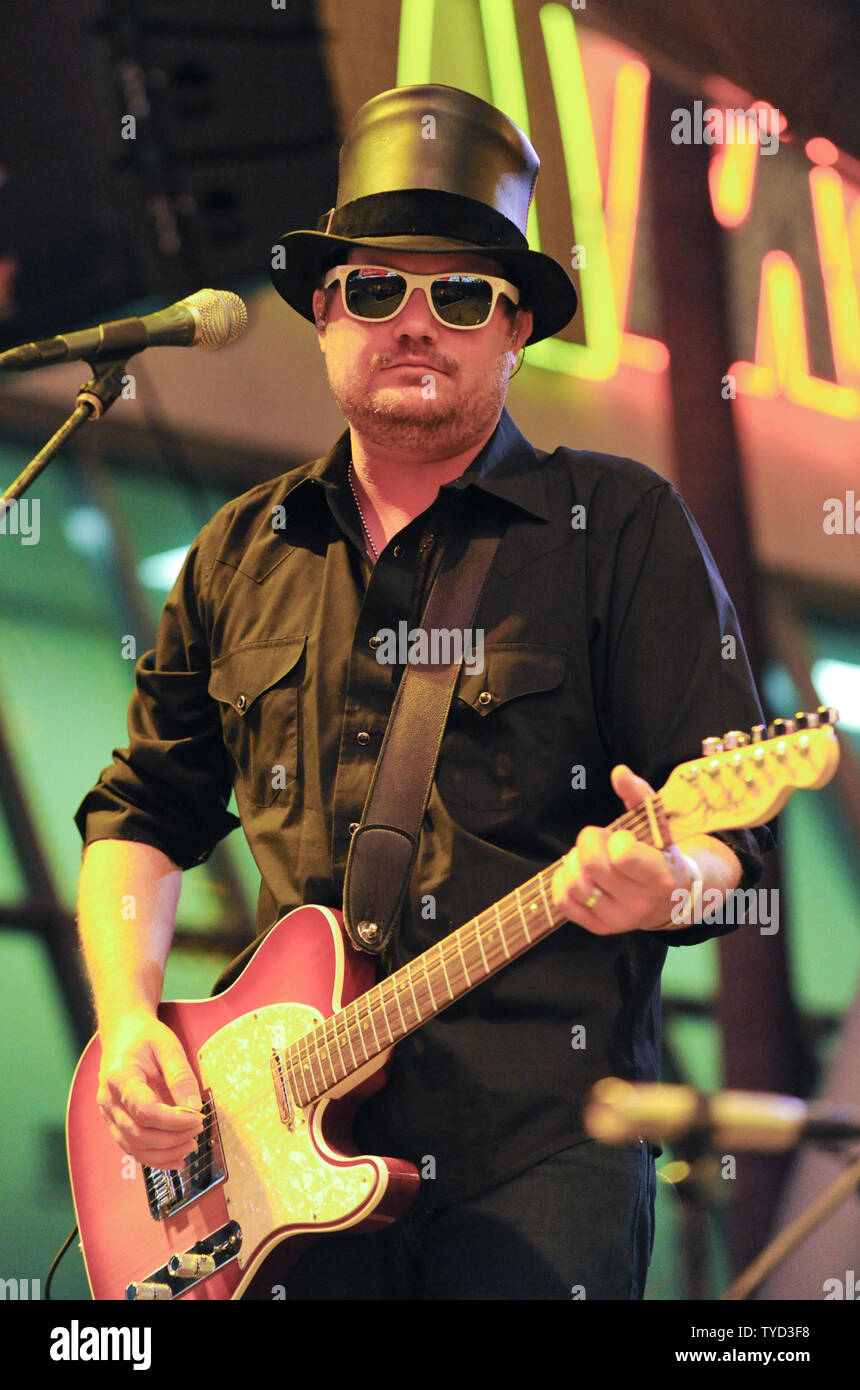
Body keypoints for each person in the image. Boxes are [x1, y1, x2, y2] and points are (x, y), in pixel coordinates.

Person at [74, 84, 775, 1300]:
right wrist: (130, 1021)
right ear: (325, 313)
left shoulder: (614, 527)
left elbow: (734, 833)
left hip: (539, 1157)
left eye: (458, 295)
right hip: (265, 1166)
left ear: (511, 330)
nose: (415, 322)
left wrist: (669, 878)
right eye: (377, 288)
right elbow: (141, 812)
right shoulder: (242, 547)